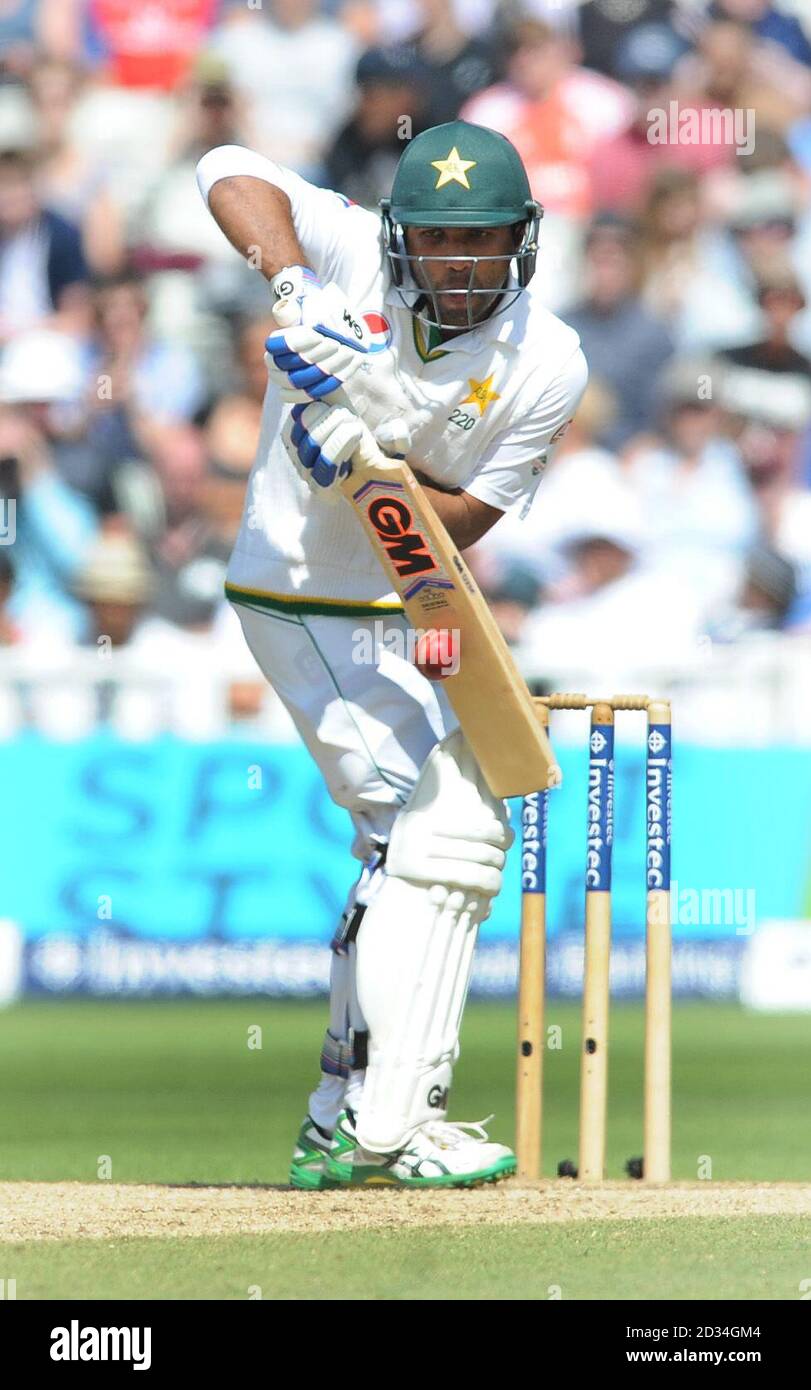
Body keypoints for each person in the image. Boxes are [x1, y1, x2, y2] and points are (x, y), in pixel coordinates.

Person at [197, 119, 587, 1188]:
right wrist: (293, 287)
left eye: (482, 239)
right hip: (296, 588)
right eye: (438, 239)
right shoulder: (349, 254)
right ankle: (386, 1120)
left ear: (522, 237)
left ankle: (355, 1110)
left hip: (406, 598)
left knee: (426, 840)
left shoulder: (548, 360)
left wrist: (375, 462)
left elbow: (463, 523)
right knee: (428, 828)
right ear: (397, 233)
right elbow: (225, 168)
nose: (459, 263)